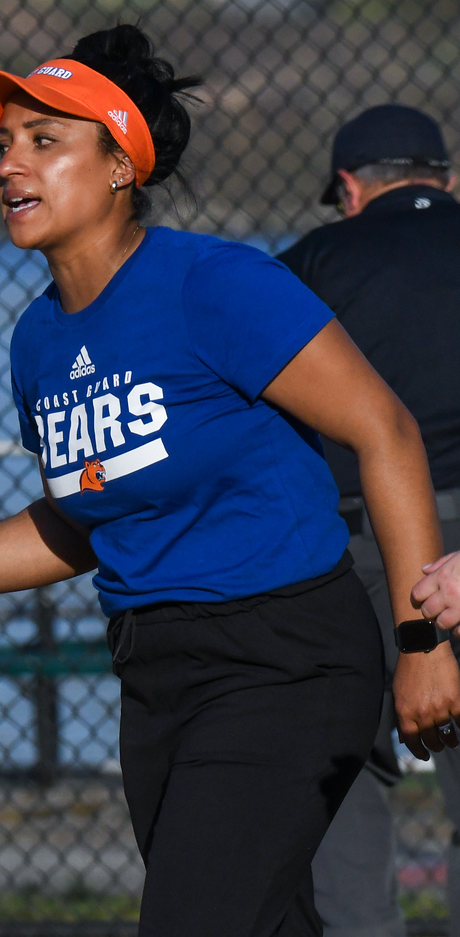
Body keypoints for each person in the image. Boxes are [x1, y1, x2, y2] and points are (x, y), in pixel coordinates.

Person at [0, 25, 460, 936]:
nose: (11, 165)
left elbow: (385, 430)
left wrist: (423, 639)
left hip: (286, 658)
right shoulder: (38, 340)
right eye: (4, 144)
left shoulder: (216, 283)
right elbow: (82, 521)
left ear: (122, 163)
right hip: (156, 675)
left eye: (45, 141)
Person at [279, 104, 460, 937]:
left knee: (345, 773)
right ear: (447, 180)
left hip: (352, 540)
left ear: (350, 189)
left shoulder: (312, 260)